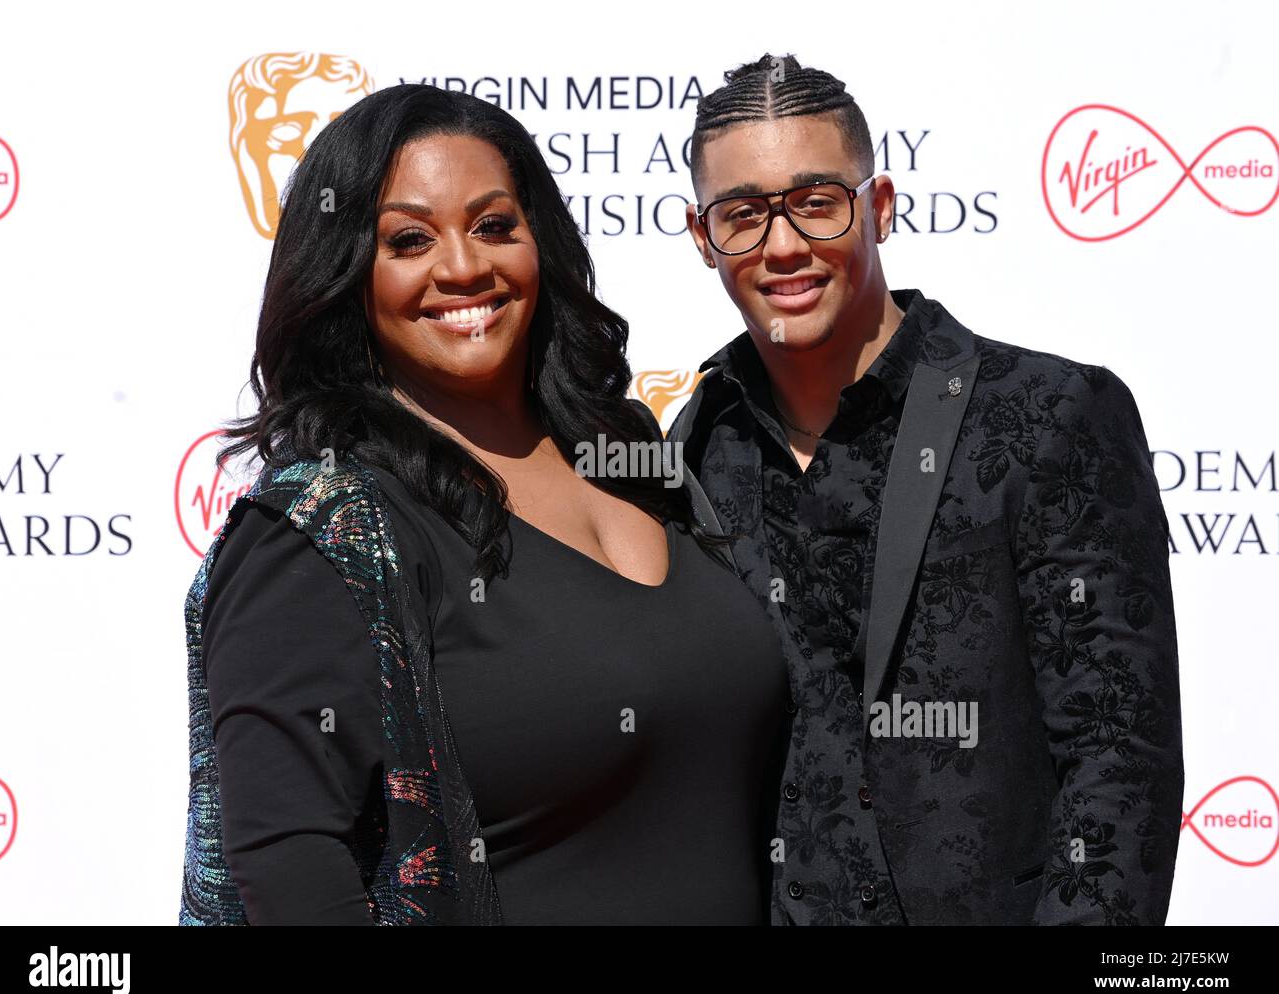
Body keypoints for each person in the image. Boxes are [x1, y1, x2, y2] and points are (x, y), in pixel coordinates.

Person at [180, 83, 789, 925]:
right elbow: (290, 868)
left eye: (495, 225)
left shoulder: (635, 457)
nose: (464, 266)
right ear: (346, 273)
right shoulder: (324, 531)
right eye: (409, 239)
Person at [668, 53, 1184, 925]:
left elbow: (1119, 756)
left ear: (879, 205)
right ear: (701, 236)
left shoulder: (1045, 414)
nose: (782, 245)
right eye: (743, 215)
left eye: (816, 202)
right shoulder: (694, 449)